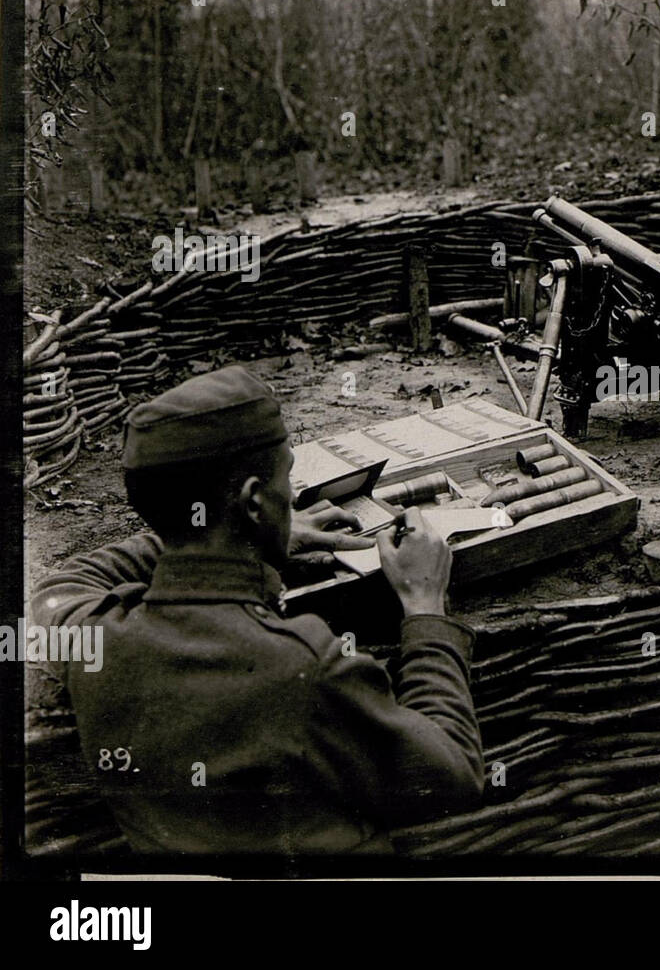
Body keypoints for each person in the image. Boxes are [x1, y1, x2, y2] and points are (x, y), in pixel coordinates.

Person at [30, 365, 483, 854]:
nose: (292, 495)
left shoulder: (95, 639)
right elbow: (453, 775)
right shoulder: (300, 664)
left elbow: (59, 586)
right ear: (252, 500)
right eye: (286, 479)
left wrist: (217, 535)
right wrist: (425, 607)